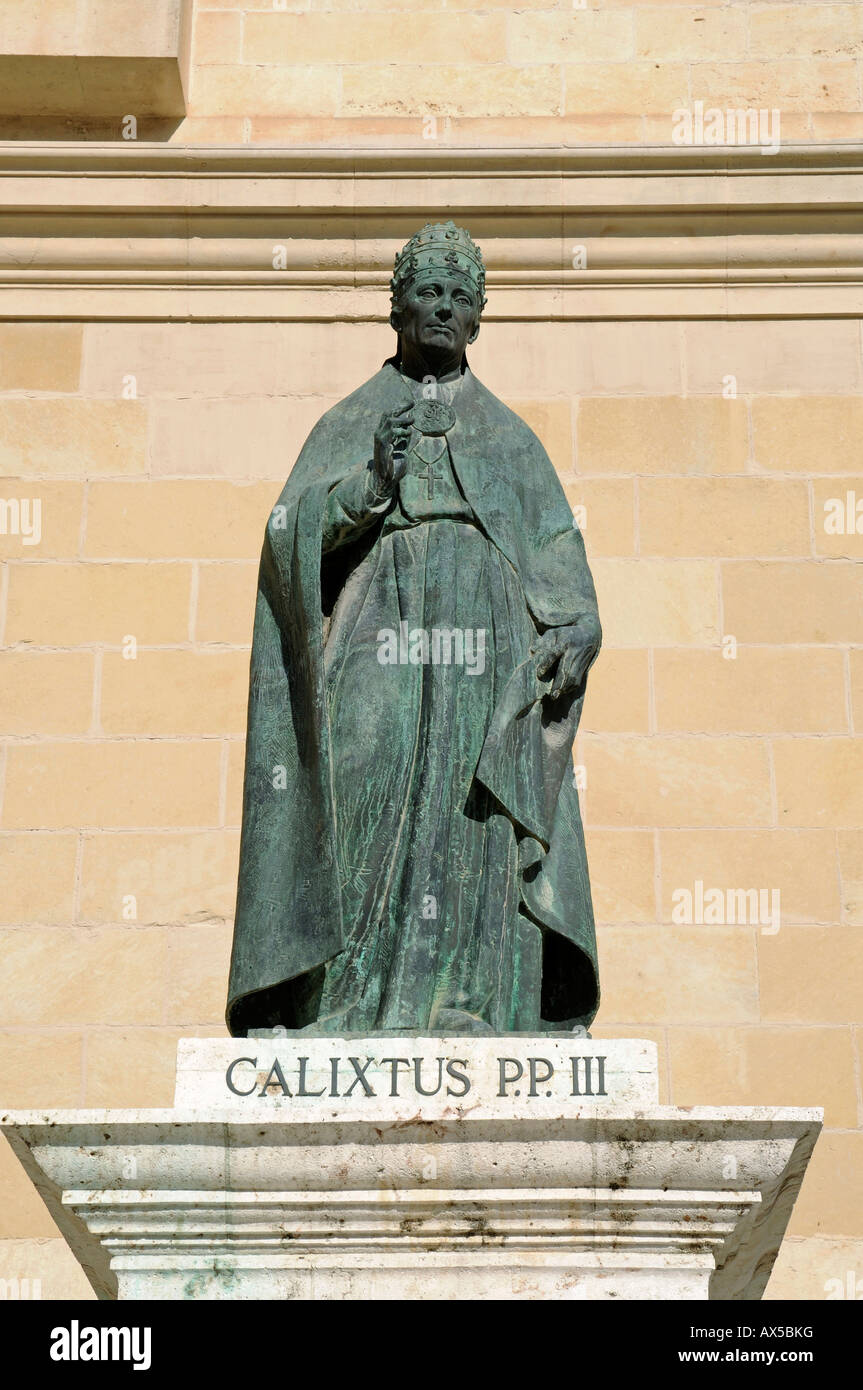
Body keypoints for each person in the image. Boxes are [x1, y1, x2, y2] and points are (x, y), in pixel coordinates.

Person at [226, 221, 602, 1037]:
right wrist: (368, 483)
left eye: (460, 298)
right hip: (376, 622)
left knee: (472, 810)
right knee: (361, 771)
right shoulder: (349, 418)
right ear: (396, 309)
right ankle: (343, 1004)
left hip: (486, 636)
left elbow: (553, 549)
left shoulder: (511, 436)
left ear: (477, 320)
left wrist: (577, 629)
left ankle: (471, 1000)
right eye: (427, 293)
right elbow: (290, 532)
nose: (442, 309)